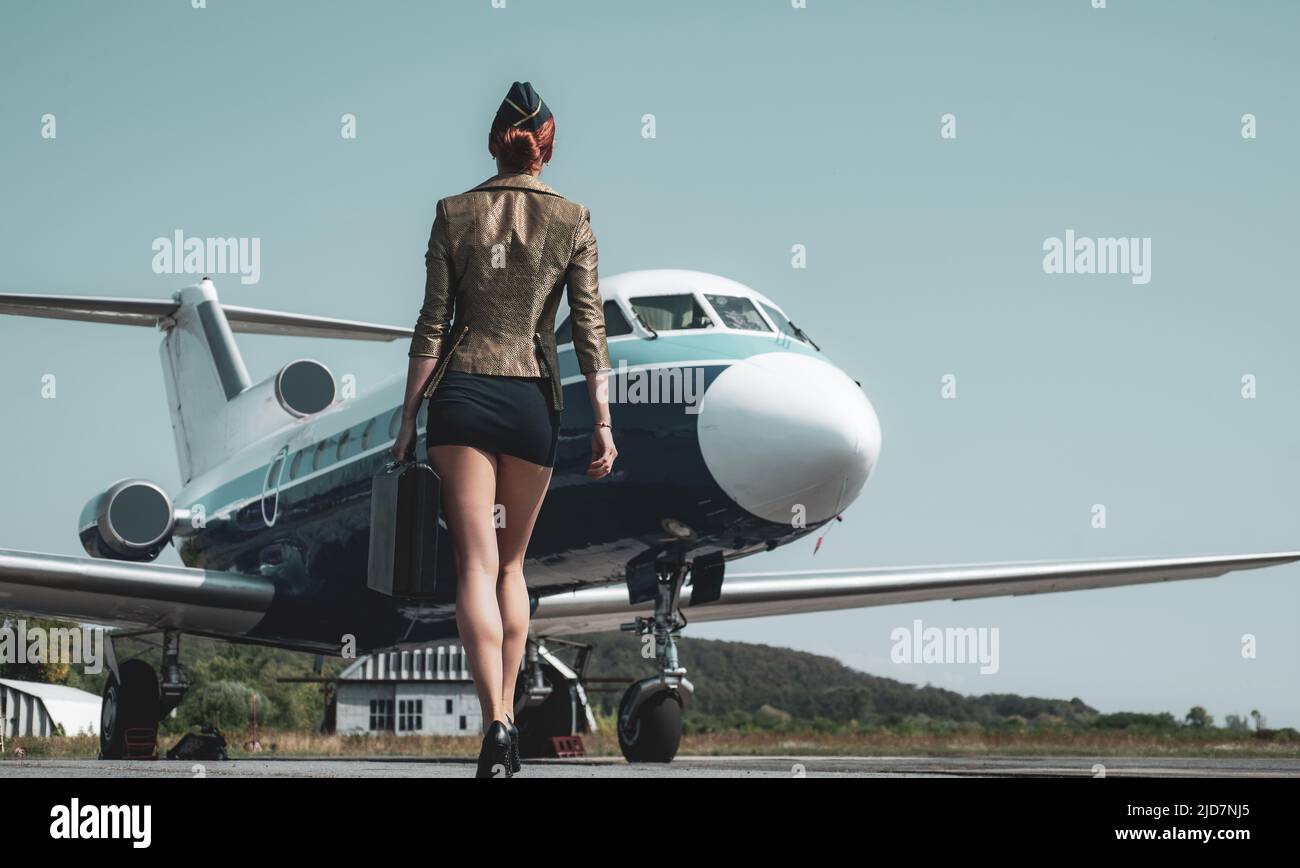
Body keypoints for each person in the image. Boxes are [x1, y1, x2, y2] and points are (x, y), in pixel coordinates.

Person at [392, 81, 617, 778]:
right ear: (546, 148)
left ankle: (492, 721)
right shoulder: (575, 218)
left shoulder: (453, 213)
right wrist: (603, 420)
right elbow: (588, 328)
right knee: (513, 566)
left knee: (474, 566)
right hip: (532, 400)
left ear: (494, 143)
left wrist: (408, 417)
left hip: (460, 395)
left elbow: (432, 323)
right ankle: (512, 716)